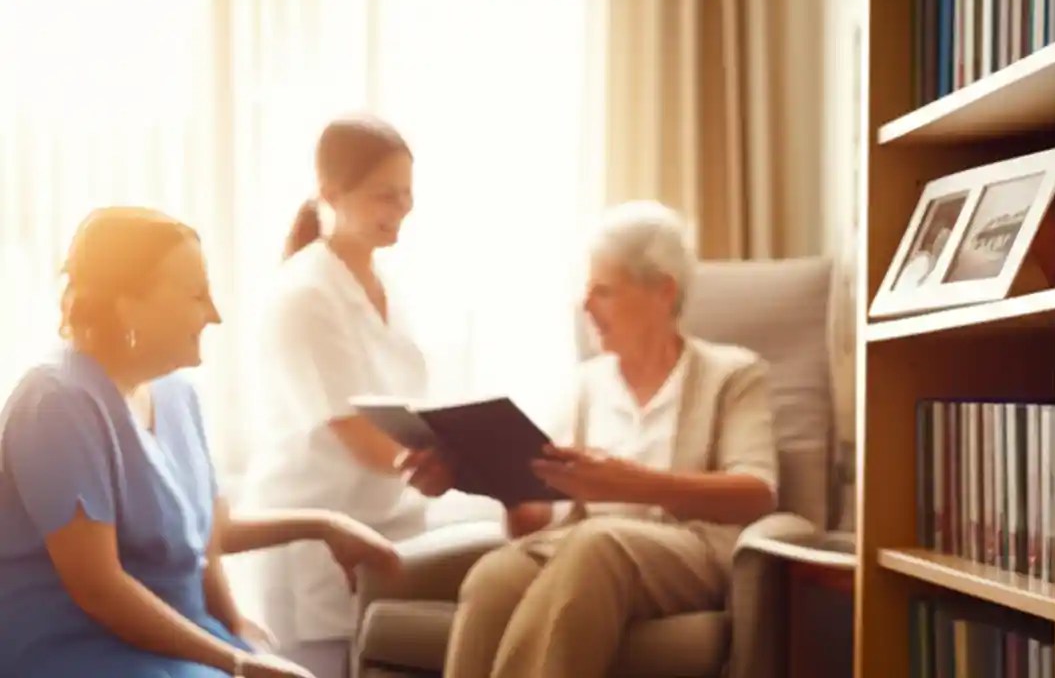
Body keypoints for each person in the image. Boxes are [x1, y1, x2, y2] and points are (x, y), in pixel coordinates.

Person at [0, 207, 402, 678]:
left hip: (178, 639)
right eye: (196, 295)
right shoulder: (58, 402)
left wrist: (321, 529)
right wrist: (236, 662)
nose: (214, 314)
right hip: (81, 649)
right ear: (128, 305)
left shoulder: (177, 394)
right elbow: (99, 589)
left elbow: (207, 536)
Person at [398, 199, 780, 678]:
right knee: (496, 575)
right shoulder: (587, 385)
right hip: (586, 547)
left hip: (690, 549)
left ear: (663, 291)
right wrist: (493, 480)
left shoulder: (734, 374)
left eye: (604, 291)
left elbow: (758, 491)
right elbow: (542, 518)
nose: (585, 306)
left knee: (597, 544)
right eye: (586, 291)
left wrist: (631, 484)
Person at [238, 116, 431, 673]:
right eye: (384, 195)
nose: (400, 209)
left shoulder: (386, 286)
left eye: (406, 194)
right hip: (312, 540)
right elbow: (358, 435)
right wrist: (451, 466)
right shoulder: (306, 294)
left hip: (384, 527)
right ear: (331, 193)